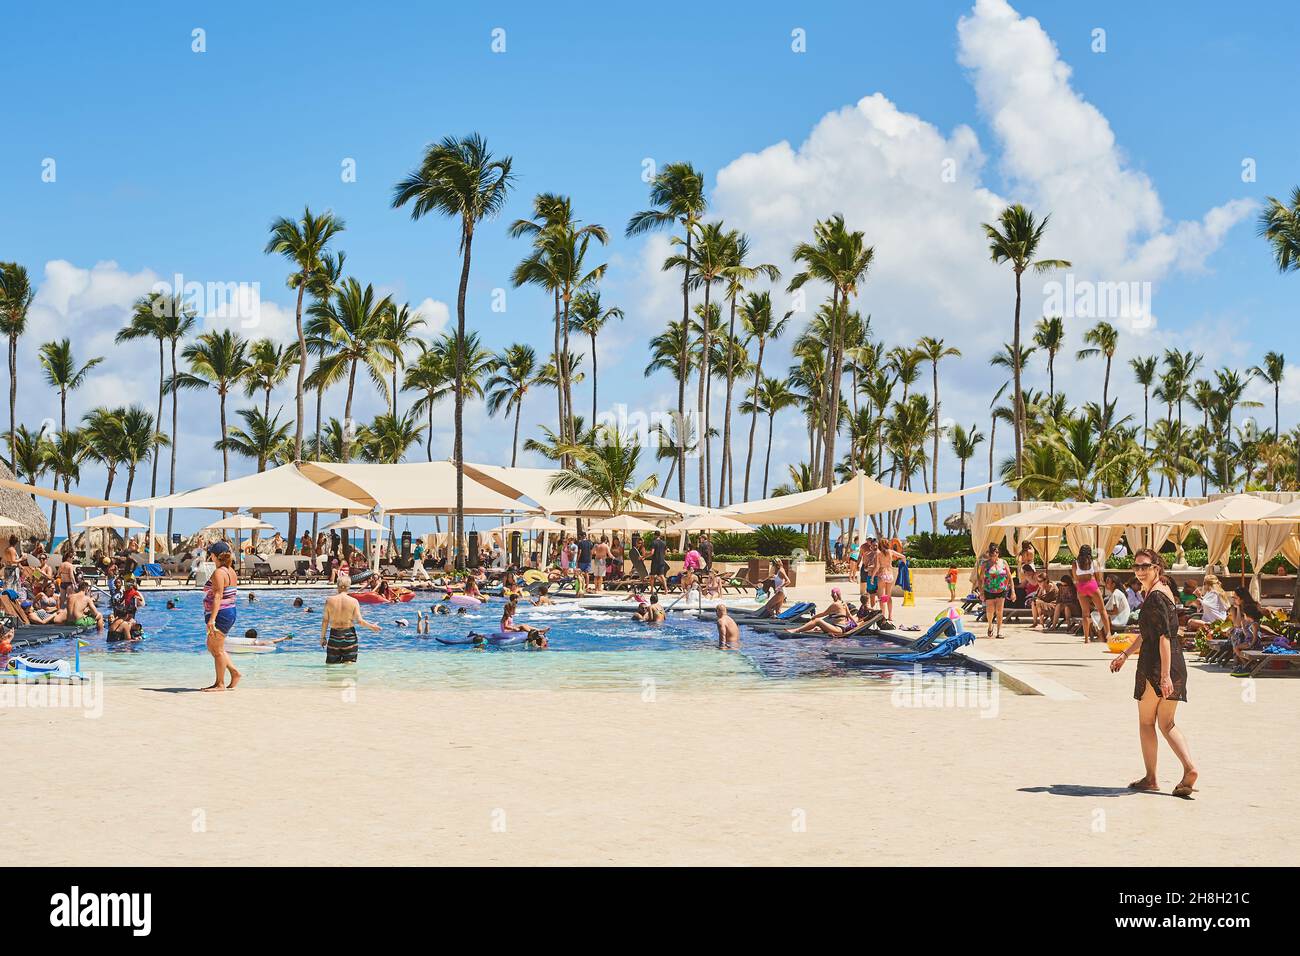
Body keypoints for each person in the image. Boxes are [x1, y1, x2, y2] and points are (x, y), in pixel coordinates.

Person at [1110, 549, 1197, 797]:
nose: (1139, 571)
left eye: (1144, 566)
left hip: (1157, 667)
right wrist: (1125, 654)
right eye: (1136, 567)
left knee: (1147, 722)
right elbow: (1150, 633)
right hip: (1175, 664)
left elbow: (1163, 638)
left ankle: (1151, 778)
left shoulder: (1156, 596)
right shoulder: (1161, 592)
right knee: (1167, 723)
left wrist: (1164, 676)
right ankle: (1190, 768)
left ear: (1156, 567)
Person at [202, 541, 240, 691]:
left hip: (221, 614)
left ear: (215, 556)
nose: (209, 556)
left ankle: (220, 684)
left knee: (217, 650)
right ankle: (234, 672)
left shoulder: (219, 573)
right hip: (228, 612)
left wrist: (212, 619)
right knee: (213, 646)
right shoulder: (230, 571)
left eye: (211, 553)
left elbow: (218, 596)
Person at [320, 575, 381, 664]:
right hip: (350, 636)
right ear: (349, 586)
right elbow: (359, 621)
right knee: (349, 667)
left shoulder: (329, 600)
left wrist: (323, 638)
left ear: (337, 585)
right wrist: (372, 627)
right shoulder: (353, 601)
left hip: (335, 636)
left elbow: (325, 621)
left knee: (331, 666)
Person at [782, 588, 859, 637]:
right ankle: (800, 630)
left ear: (832, 595)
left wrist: (813, 617)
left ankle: (795, 630)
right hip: (840, 627)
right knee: (816, 627)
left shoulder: (835, 604)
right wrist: (855, 624)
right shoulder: (843, 603)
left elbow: (824, 614)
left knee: (817, 621)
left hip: (838, 629)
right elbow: (849, 615)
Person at [1073, 544, 1110, 643]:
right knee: (1102, 610)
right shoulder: (1093, 562)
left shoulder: (1075, 563)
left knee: (1085, 614)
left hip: (1081, 587)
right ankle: (1108, 634)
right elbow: (1098, 578)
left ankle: (1086, 639)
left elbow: (1075, 578)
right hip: (1092, 585)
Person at [977, 543, 1014, 639]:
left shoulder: (1004, 562)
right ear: (989, 554)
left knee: (999, 611)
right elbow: (980, 579)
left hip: (1002, 589)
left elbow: (1010, 577)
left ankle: (999, 631)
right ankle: (990, 625)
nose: (995, 555)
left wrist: (1013, 591)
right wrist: (981, 592)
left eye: (997, 552)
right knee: (990, 611)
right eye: (993, 553)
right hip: (989, 590)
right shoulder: (985, 564)